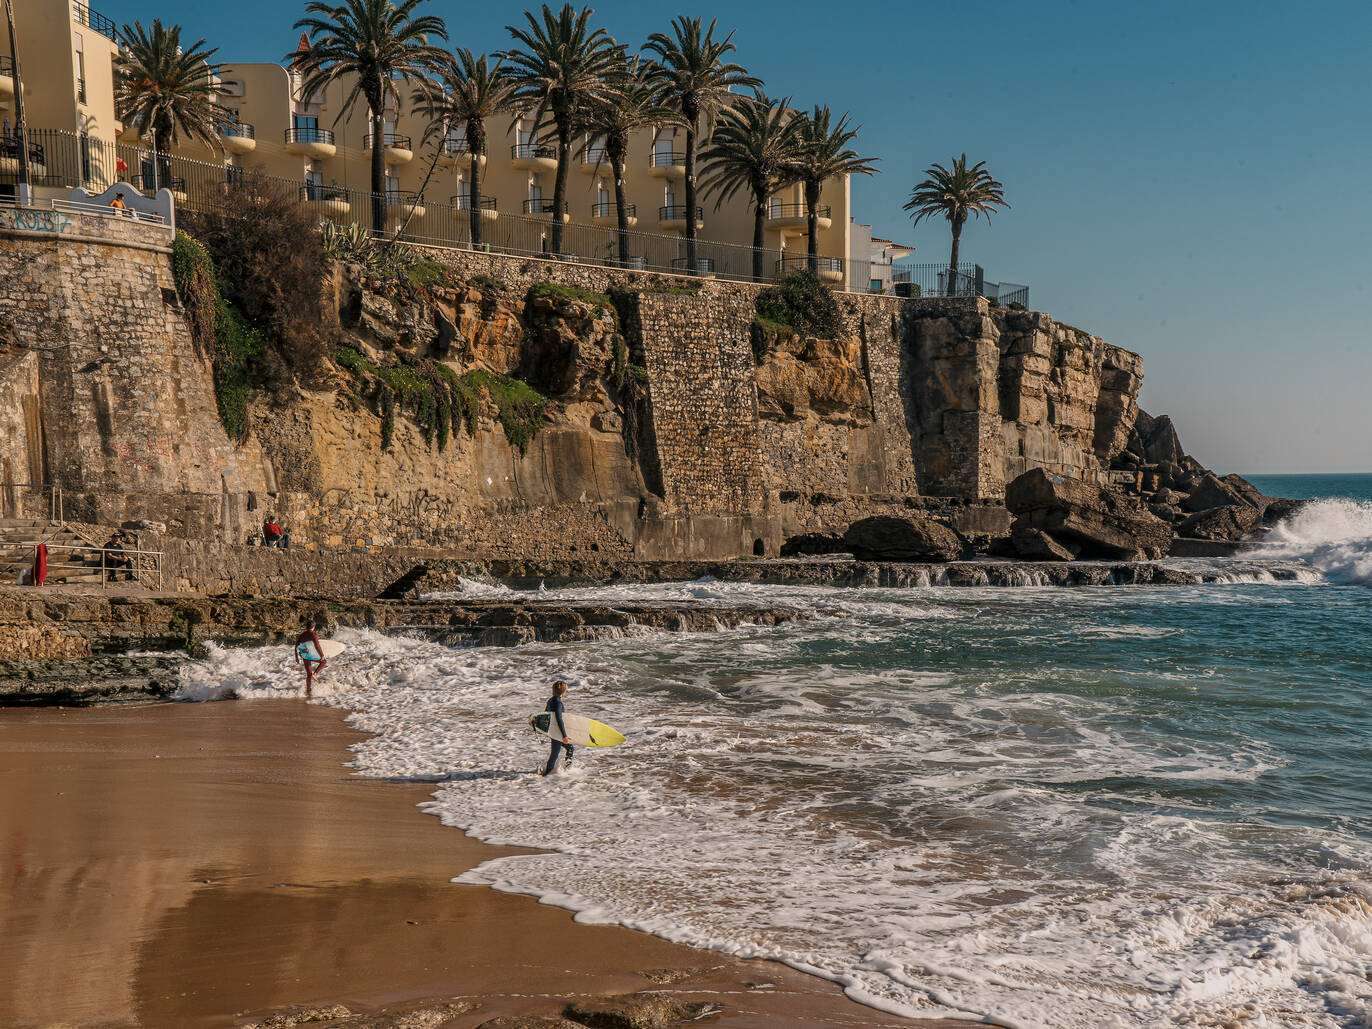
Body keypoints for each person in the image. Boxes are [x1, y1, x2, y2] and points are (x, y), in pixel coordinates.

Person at [539, 680, 574, 776]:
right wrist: (564, 736)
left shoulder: (551, 700)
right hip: (557, 731)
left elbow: (546, 714)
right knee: (556, 753)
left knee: (568, 748)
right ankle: (548, 774)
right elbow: (559, 719)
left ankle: (560, 771)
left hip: (553, 730)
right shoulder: (558, 703)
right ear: (563, 692)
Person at [294, 617, 326, 698]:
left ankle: (308, 690)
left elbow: (296, 646)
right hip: (312, 654)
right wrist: (321, 655)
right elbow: (317, 646)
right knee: (323, 662)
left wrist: (296, 657)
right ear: (313, 627)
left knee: (308, 674)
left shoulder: (302, 635)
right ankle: (315, 674)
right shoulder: (313, 635)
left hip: (305, 654)